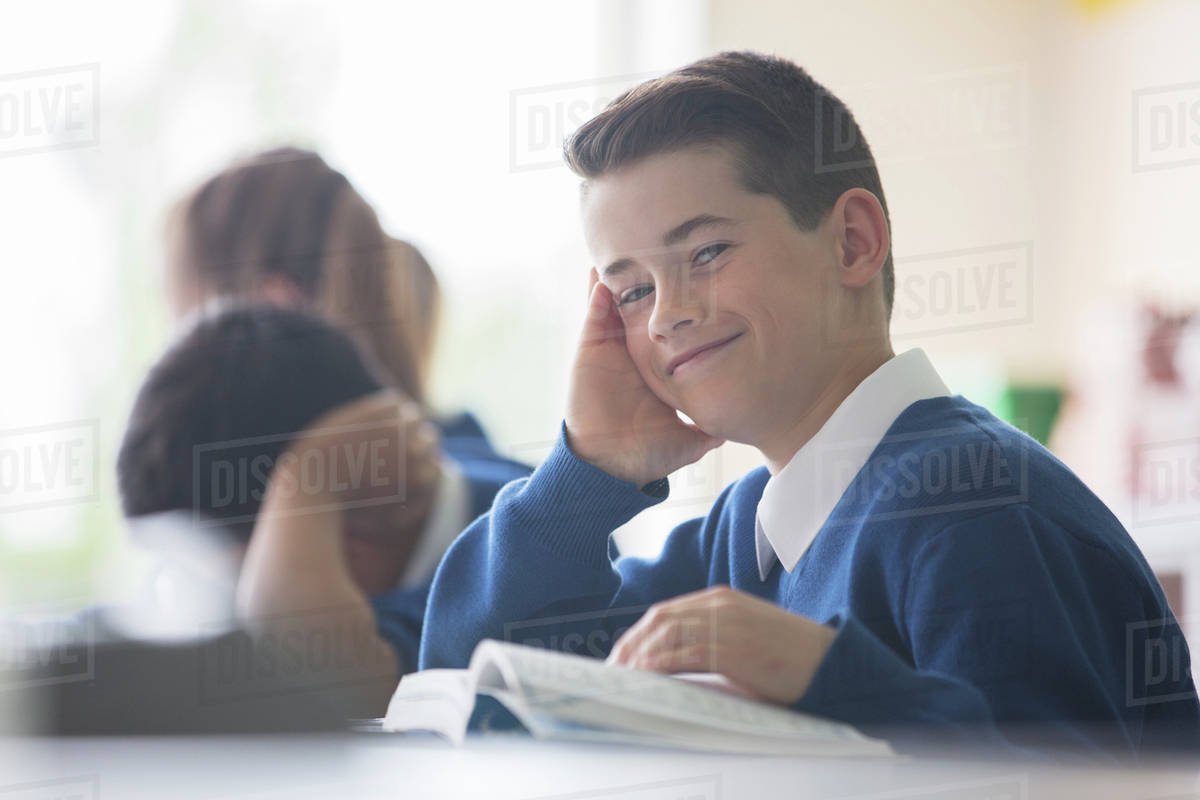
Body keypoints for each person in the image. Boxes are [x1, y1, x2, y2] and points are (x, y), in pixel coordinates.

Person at [394, 52, 1198, 758]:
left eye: (706, 252)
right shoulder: (748, 533)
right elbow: (471, 670)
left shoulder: (975, 509)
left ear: (852, 241)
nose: (667, 311)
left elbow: (1061, 782)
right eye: (631, 289)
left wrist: (823, 675)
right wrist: (589, 470)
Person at [159, 149, 530, 686]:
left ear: (271, 313)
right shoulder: (228, 517)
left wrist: (307, 479)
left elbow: (313, 686)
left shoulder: (517, 526)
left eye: (186, 328)